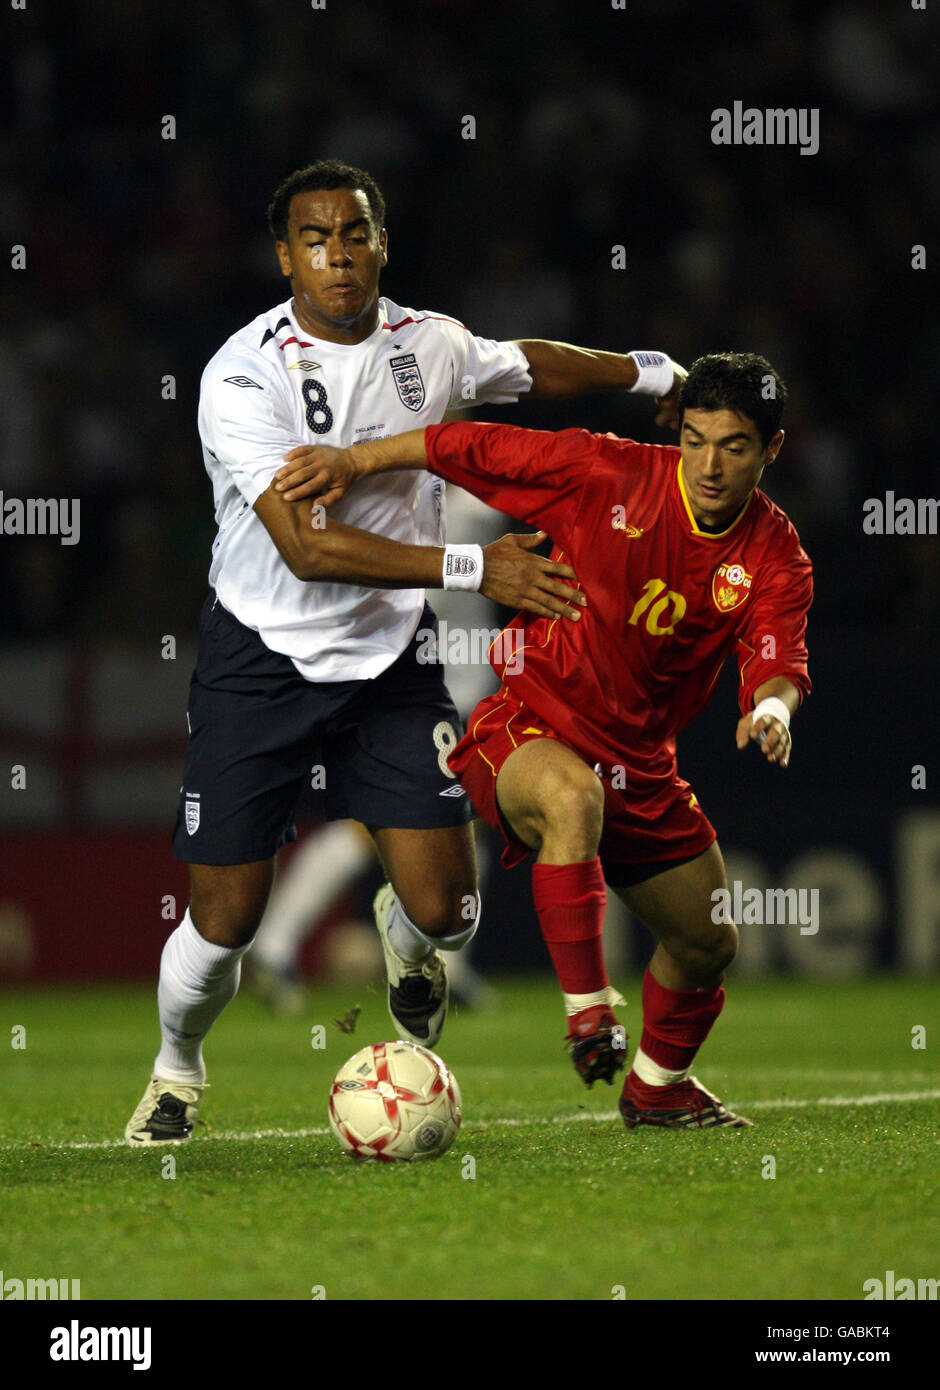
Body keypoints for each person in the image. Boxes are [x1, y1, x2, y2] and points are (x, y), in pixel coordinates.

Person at [125, 157, 684, 1144]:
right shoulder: (242, 374)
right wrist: (477, 570)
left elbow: (526, 363)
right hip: (261, 655)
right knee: (225, 919)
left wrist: (640, 373)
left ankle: (404, 936)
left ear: (381, 242)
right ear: (284, 255)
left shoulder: (430, 343)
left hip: (390, 660)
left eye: (354, 234)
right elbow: (307, 546)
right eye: (314, 238)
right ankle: (176, 1071)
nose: (337, 256)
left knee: (449, 910)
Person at [271, 351, 813, 1130]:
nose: (710, 465)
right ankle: (589, 1016)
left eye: (733, 446)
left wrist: (775, 713)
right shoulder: (608, 471)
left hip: (641, 765)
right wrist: (353, 461)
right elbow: (462, 446)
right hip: (528, 723)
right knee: (570, 797)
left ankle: (658, 1091)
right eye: (695, 439)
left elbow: (777, 657)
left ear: (772, 449)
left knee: (707, 942)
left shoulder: (775, 554)